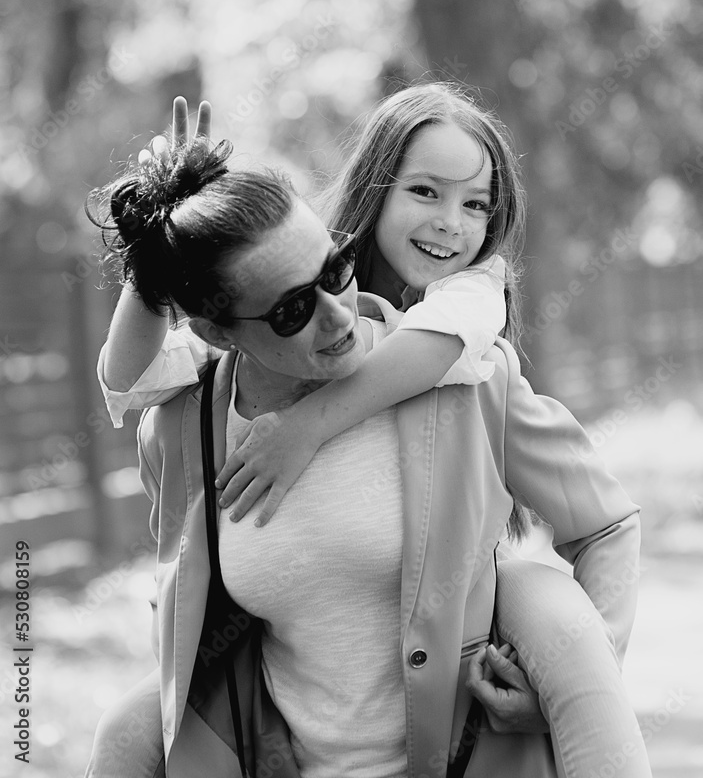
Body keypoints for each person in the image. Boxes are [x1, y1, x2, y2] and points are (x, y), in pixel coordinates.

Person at [85, 87, 651, 778]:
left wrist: (569, 689)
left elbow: (604, 525)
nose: (339, 316)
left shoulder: (464, 363)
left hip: (470, 755)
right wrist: (157, 237)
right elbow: (128, 381)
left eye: (337, 272)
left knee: (545, 599)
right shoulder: (192, 424)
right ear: (216, 332)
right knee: (124, 732)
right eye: (296, 306)